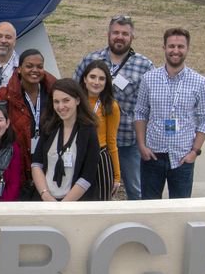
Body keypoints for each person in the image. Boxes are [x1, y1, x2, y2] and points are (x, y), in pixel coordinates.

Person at [74, 15, 154, 200]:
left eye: (125, 34)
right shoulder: (91, 60)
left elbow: (151, 104)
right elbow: (74, 91)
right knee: (91, 187)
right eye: (116, 32)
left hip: (127, 141)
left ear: (132, 37)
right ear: (108, 34)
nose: (120, 37)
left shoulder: (144, 65)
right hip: (93, 142)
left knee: (135, 189)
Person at [134, 27, 205, 200]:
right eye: (171, 46)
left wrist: (194, 152)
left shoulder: (199, 82)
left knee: (180, 210)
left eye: (180, 46)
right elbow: (140, 112)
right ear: (164, 48)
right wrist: (141, 145)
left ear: (187, 49)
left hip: (182, 158)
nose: (175, 51)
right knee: (149, 206)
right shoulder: (149, 79)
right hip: (152, 155)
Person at [31, 78, 111, 202]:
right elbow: (37, 164)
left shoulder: (88, 131)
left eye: (66, 100)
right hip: (46, 201)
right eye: (56, 102)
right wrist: (45, 195)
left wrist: (64, 205)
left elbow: (88, 175)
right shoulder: (49, 128)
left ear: (77, 100)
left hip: (76, 203)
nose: (61, 106)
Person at [0, 48, 56, 197]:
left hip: (48, 163)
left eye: (39, 67)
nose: (35, 70)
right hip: (17, 165)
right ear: (20, 69)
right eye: (29, 66)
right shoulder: (5, 95)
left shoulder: (54, 93)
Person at [79, 59, 121, 195]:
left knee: (101, 202)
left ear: (106, 82)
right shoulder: (75, 101)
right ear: (85, 79)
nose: (96, 82)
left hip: (100, 158)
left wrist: (117, 176)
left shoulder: (110, 106)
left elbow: (112, 141)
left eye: (101, 79)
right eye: (92, 77)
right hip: (77, 155)